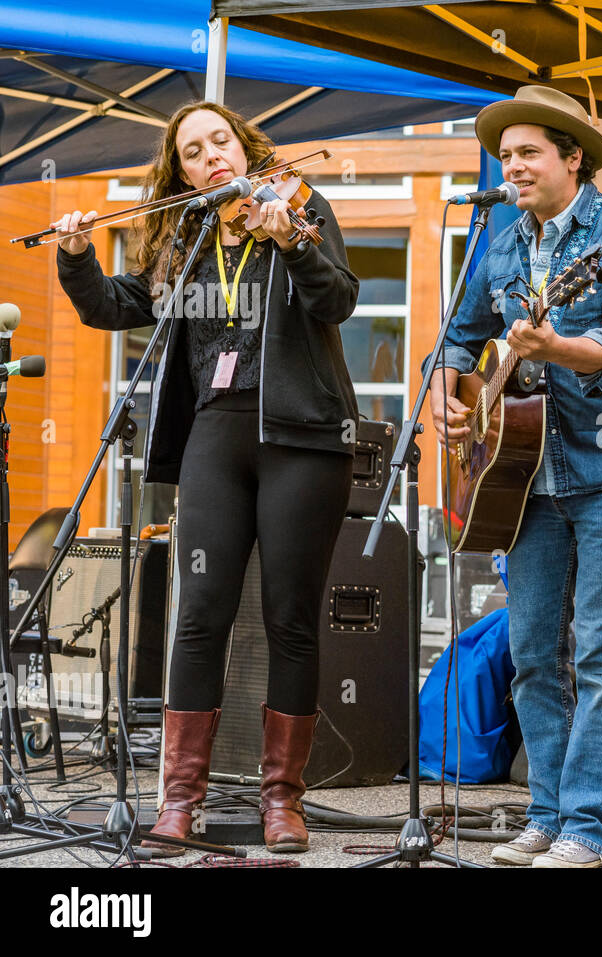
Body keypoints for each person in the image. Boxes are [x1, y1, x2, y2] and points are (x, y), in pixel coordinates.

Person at [54, 101, 359, 855]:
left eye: (219, 139)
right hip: (217, 434)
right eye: (192, 150)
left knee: (289, 616)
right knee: (199, 616)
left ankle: (282, 802)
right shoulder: (186, 235)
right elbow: (118, 306)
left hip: (302, 433)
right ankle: (178, 799)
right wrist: (75, 258)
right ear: (181, 170)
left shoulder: (298, 203)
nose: (210, 155)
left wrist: (289, 239)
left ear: (242, 143)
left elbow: (338, 298)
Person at [429, 86, 602, 867]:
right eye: (506, 155)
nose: (514, 166)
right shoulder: (497, 236)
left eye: (529, 152)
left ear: (574, 158)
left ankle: (591, 828)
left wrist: (552, 345)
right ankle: (548, 811)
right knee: (533, 651)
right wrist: (451, 404)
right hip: (521, 479)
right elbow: (458, 340)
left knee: (600, 652)